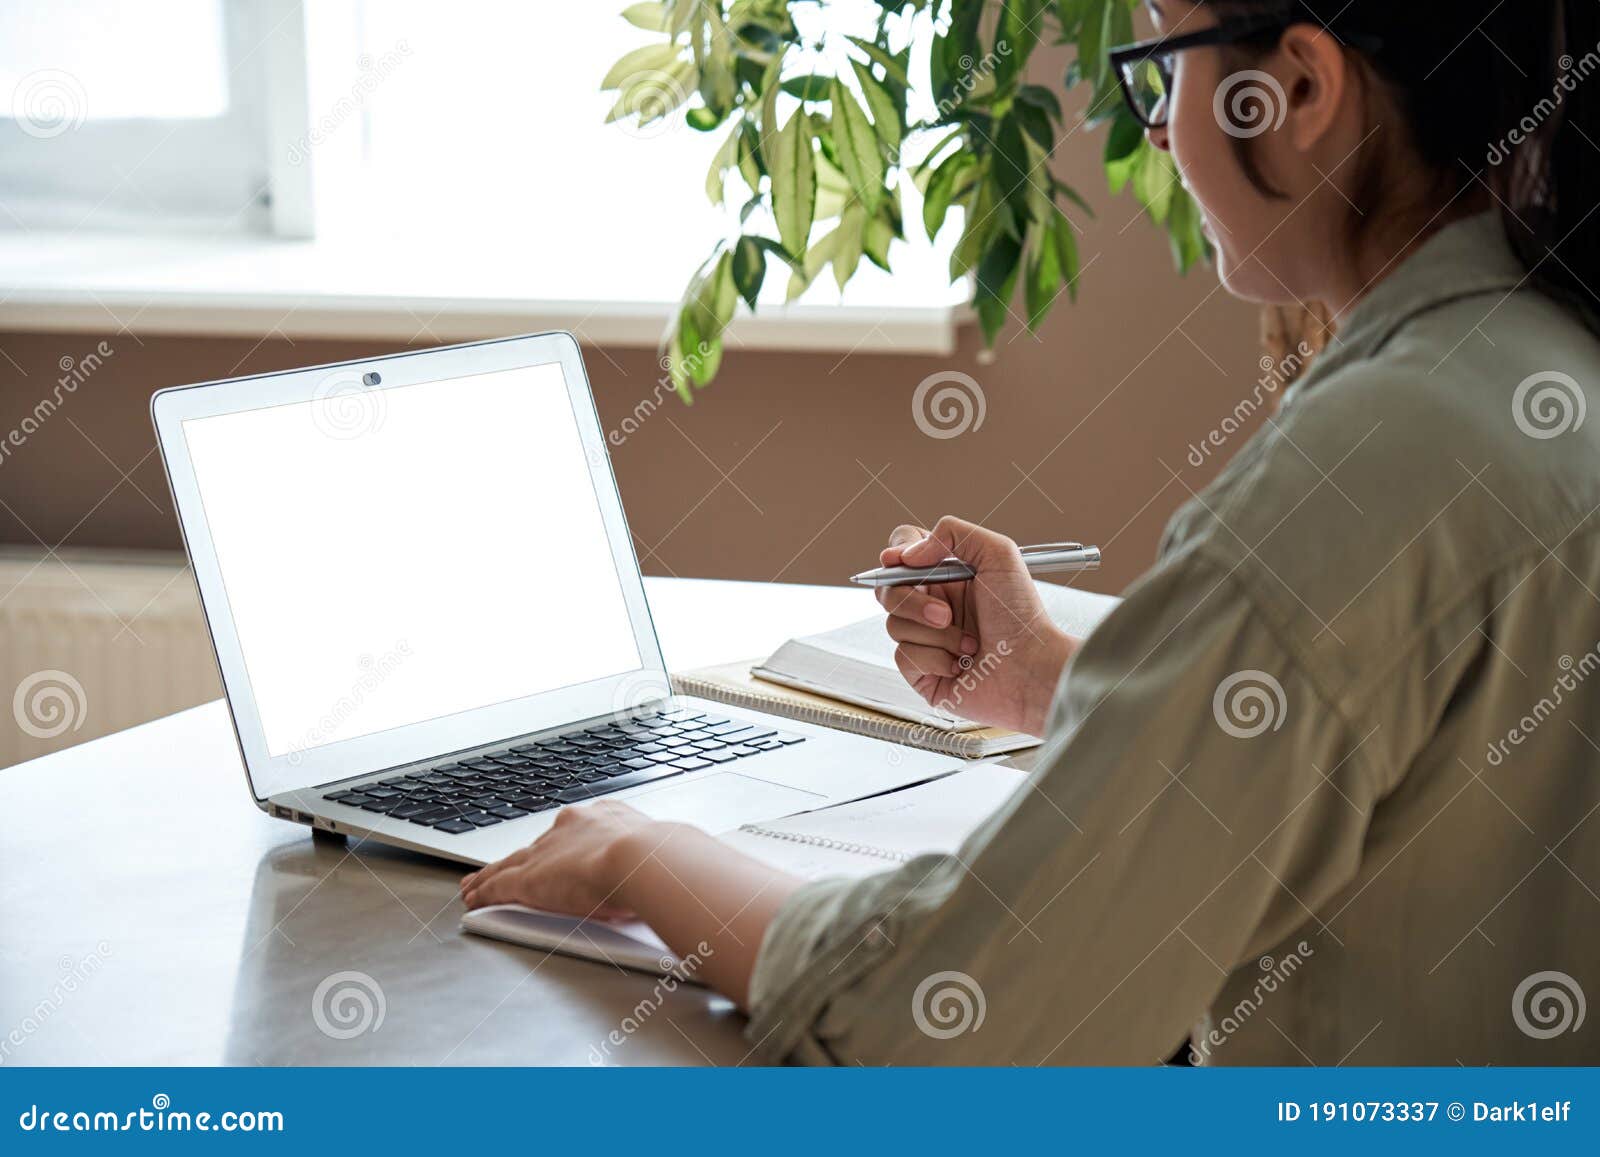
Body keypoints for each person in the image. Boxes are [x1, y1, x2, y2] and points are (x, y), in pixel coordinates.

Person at [462, 0, 1600, 1064]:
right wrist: (1053, 679)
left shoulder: (1366, 465)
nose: (1155, 133)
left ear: (1296, 88)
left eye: (1160, 61)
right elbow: (1385, 753)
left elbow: (962, 1013)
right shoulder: (1542, 363)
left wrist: (650, 853)